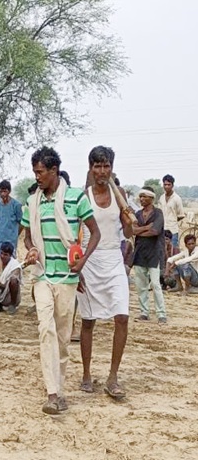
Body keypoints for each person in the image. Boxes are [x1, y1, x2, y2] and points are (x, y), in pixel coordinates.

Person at [22, 146, 99, 416]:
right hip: (42, 275)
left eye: (40, 172)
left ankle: (60, 389)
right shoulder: (32, 202)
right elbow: (28, 236)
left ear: (53, 171)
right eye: (34, 172)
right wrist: (31, 248)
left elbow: (95, 233)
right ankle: (51, 393)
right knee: (46, 329)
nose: (36, 177)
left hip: (67, 278)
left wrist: (83, 260)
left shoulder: (77, 198)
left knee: (63, 338)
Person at [76, 146, 135, 398]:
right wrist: (77, 267)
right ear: (91, 168)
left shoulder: (119, 193)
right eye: (97, 166)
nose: (102, 171)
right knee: (88, 321)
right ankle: (87, 374)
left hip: (114, 260)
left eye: (106, 166)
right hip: (89, 262)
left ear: (111, 167)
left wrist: (129, 220)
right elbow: (76, 234)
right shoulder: (83, 196)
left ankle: (113, 377)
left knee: (121, 317)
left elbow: (129, 233)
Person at [132, 187, 167, 324]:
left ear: (151, 198)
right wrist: (145, 228)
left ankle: (161, 313)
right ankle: (144, 312)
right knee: (141, 285)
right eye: (140, 196)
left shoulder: (158, 213)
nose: (141, 199)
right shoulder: (138, 213)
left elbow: (155, 231)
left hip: (154, 253)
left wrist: (138, 231)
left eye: (144, 196)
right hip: (140, 252)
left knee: (156, 285)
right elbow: (132, 231)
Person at [0, 180, 23, 256]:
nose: (2, 194)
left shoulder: (16, 205)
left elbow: (21, 223)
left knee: (10, 265)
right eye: (0, 192)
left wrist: (15, 234)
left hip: (10, 242)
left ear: (9, 191)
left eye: (5, 191)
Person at [159, 174, 185, 251]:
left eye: (169, 185)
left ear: (172, 185)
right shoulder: (161, 198)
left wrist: (172, 220)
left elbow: (181, 215)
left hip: (173, 230)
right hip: (162, 229)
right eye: (165, 184)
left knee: (173, 250)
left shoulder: (177, 199)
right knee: (162, 251)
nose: (166, 186)